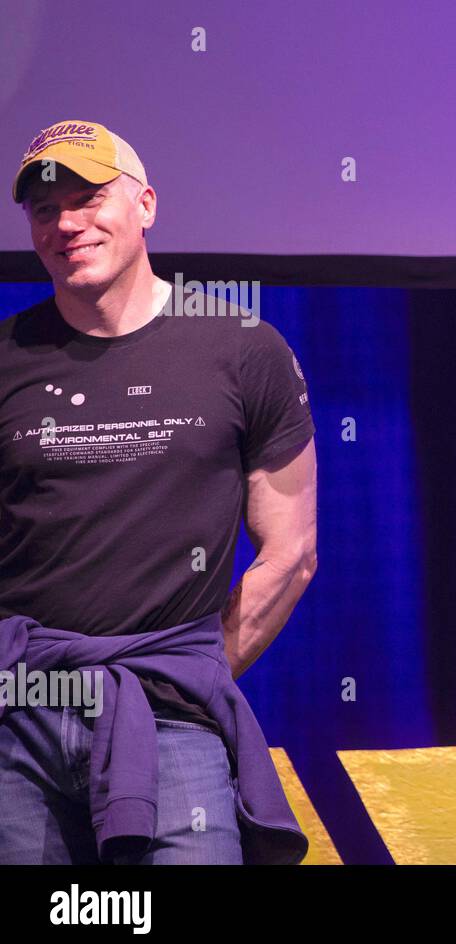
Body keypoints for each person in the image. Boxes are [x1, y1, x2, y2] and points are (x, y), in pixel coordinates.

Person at [0, 120, 317, 864]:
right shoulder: (6, 358)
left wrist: (190, 672)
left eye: (87, 198)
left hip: (172, 721)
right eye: (45, 210)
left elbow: (292, 551)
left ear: (145, 204)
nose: (66, 223)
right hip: (22, 713)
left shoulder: (242, 348)